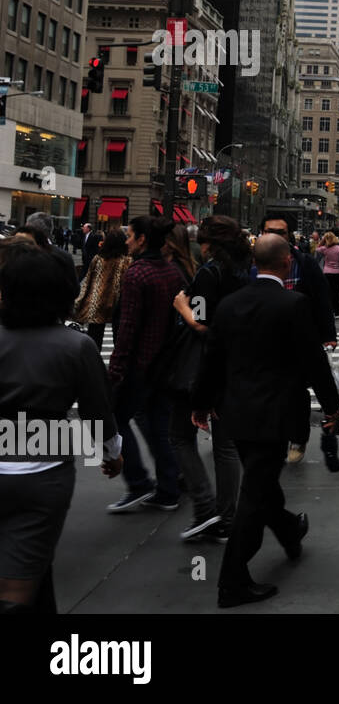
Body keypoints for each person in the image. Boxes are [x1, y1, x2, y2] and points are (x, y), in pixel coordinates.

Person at [192, 234, 339, 608]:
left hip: (235, 412)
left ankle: (290, 529)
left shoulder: (229, 304)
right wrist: (331, 407)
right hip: (276, 414)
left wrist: (201, 403)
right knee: (256, 494)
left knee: (261, 483)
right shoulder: (294, 305)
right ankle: (232, 581)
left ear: (256, 263)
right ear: (287, 262)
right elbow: (313, 362)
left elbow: (212, 357)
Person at [0, 243, 123, 613]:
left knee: (31, 567)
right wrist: (112, 454)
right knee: (21, 579)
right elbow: (97, 413)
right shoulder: (76, 347)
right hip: (41, 468)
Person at [169, 216, 252, 543]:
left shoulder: (209, 273)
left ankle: (207, 508)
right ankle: (227, 516)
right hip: (235, 362)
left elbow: (202, 324)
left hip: (204, 365)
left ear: (210, 244)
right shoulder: (242, 271)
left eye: (202, 242)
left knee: (180, 436)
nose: (199, 248)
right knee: (226, 445)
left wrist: (182, 308)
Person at [106, 216, 188, 512]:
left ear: (141, 240)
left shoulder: (137, 274)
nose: (126, 240)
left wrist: (115, 371)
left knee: (115, 421)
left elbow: (128, 329)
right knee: (158, 425)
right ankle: (168, 488)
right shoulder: (171, 272)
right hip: (164, 364)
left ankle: (139, 481)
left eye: (130, 235)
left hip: (139, 366)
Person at [256, 217, 337, 464]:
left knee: (296, 392)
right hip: (263, 338)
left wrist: (328, 335)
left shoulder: (304, 263)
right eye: (271, 231)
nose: (277, 235)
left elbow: (322, 299)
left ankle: (298, 438)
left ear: (289, 234)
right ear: (262, 233)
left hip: (297, 336)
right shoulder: (254, 261)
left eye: (282, 232)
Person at [73, 227, 132, 349]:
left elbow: (88, 280)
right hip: (117, 304)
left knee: (95, 340)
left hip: (97, 301)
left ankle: (93, 365)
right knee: (118, 340)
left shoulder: (98, 259)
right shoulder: (127, 261)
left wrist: (80, 301)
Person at [24, 213, 78, 295]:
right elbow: (74, 291)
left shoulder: (16, 253)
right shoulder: (64, 257)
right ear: (51, 229)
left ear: (28, 229)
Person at [319, 232, 339, 318]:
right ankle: (337, 312)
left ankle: (330, 310)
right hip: (338, 273)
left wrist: (322, 241)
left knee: (328, 292)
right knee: (337, 292)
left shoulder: (324, 248)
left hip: (327, 272)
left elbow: (317, 249)